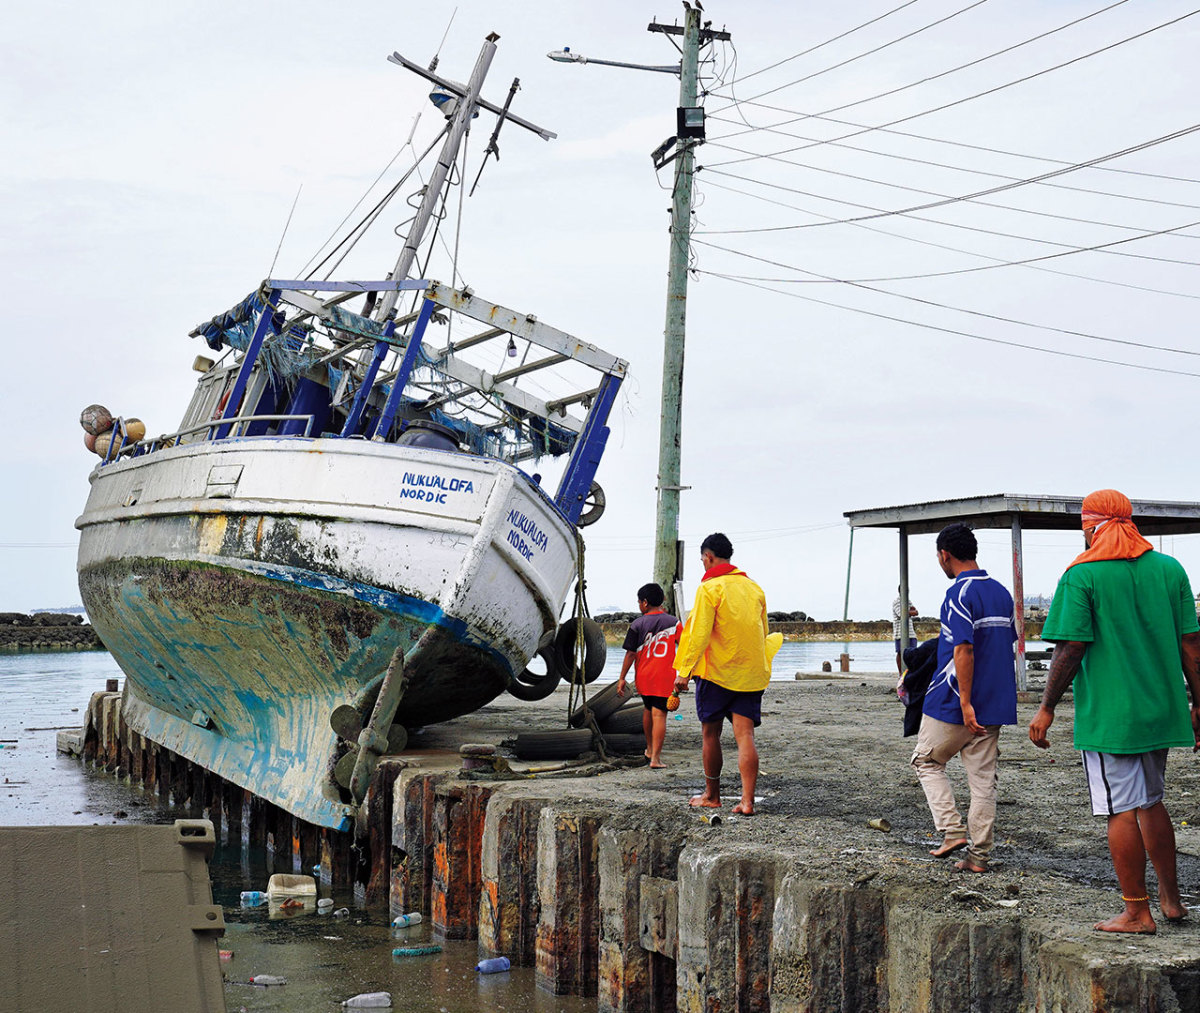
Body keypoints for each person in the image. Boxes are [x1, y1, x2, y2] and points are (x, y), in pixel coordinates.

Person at [1029, 489, 1200, 934]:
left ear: (1091, 525)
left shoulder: (1082, 575)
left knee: (1120, 810)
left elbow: (1071, 648)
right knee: (1151, 801)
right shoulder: (1169, 569)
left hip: (1112, 718)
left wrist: (1046, 707)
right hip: (1161, 709)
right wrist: (1198, 703)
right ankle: (1172, 900)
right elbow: (1191, 645)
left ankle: (1137, 912)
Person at [912, 522, 1017, 873]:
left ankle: (952, 830)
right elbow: (1007, 645)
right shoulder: (1002, 593)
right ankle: (978, 856)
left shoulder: (959, 593)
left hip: (954, 699)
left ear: (945, 555)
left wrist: (966, 701)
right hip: (995, 703)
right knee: (983, 780)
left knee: (926, 761)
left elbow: (964, 648)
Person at [673, 533, 781, 815]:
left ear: (708, 557)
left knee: (710, 733)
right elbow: (763, 633)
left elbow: (699, 634)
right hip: (750, 674)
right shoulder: (754, 588)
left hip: (716, 675)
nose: (703, 565)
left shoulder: (710, 588)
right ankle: (747, 802)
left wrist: (683, 671)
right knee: (745, 736)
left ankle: (712, 795)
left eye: (702, 560)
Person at [615, 582, 681, 768]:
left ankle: (650, 749)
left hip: (644, 676)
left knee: (647, 710)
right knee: (659, 715)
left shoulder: (637, 624)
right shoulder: (673, 622)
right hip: (664, 676)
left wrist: (622, 678)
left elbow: (630, 654)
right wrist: (686, 672)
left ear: (645, 603)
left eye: (639, 602)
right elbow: (685, 646)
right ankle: (656, 759)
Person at [893, 587, 919, 675]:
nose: (907, 592)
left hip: (910, 632)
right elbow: (902, 614)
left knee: (913, 653)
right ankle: (901, 673)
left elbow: (915, 611)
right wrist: (910, 612)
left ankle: (910, 672)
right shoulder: (897, 602)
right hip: (900, 633)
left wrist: (910, 612)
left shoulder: (908, 601)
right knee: (900, 652)